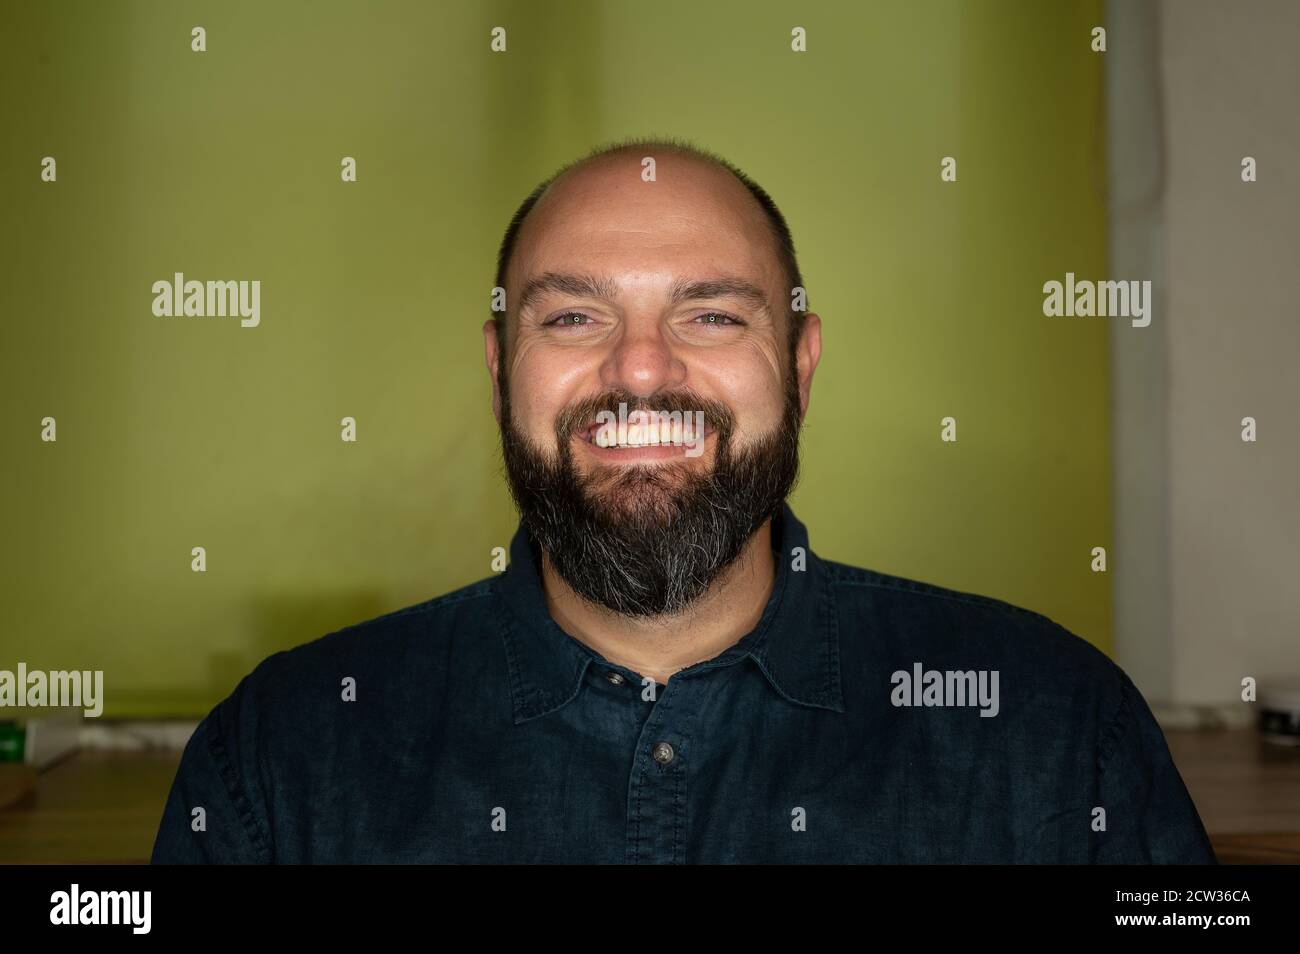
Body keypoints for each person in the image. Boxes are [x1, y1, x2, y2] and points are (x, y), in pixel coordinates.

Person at [151, 137, 1215, 863]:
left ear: (797, 367)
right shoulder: (284, 759)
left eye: (710, 317)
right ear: (496, 369)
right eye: (572, 318)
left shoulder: (1053, 729)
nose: (643, 373)